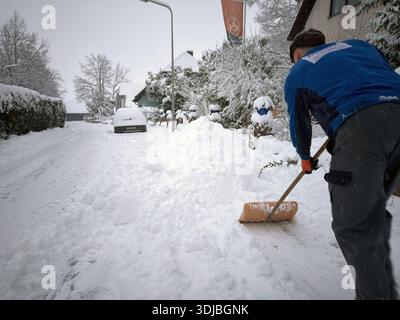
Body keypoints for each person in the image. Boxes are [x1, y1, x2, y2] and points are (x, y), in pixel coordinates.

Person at [284, 28, 400, 299]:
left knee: (355, 226)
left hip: (362, 128)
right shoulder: (360, 46)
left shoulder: (299, 70)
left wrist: (304, 158)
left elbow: (298, 122)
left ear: (298, 54)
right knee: (370, 209)